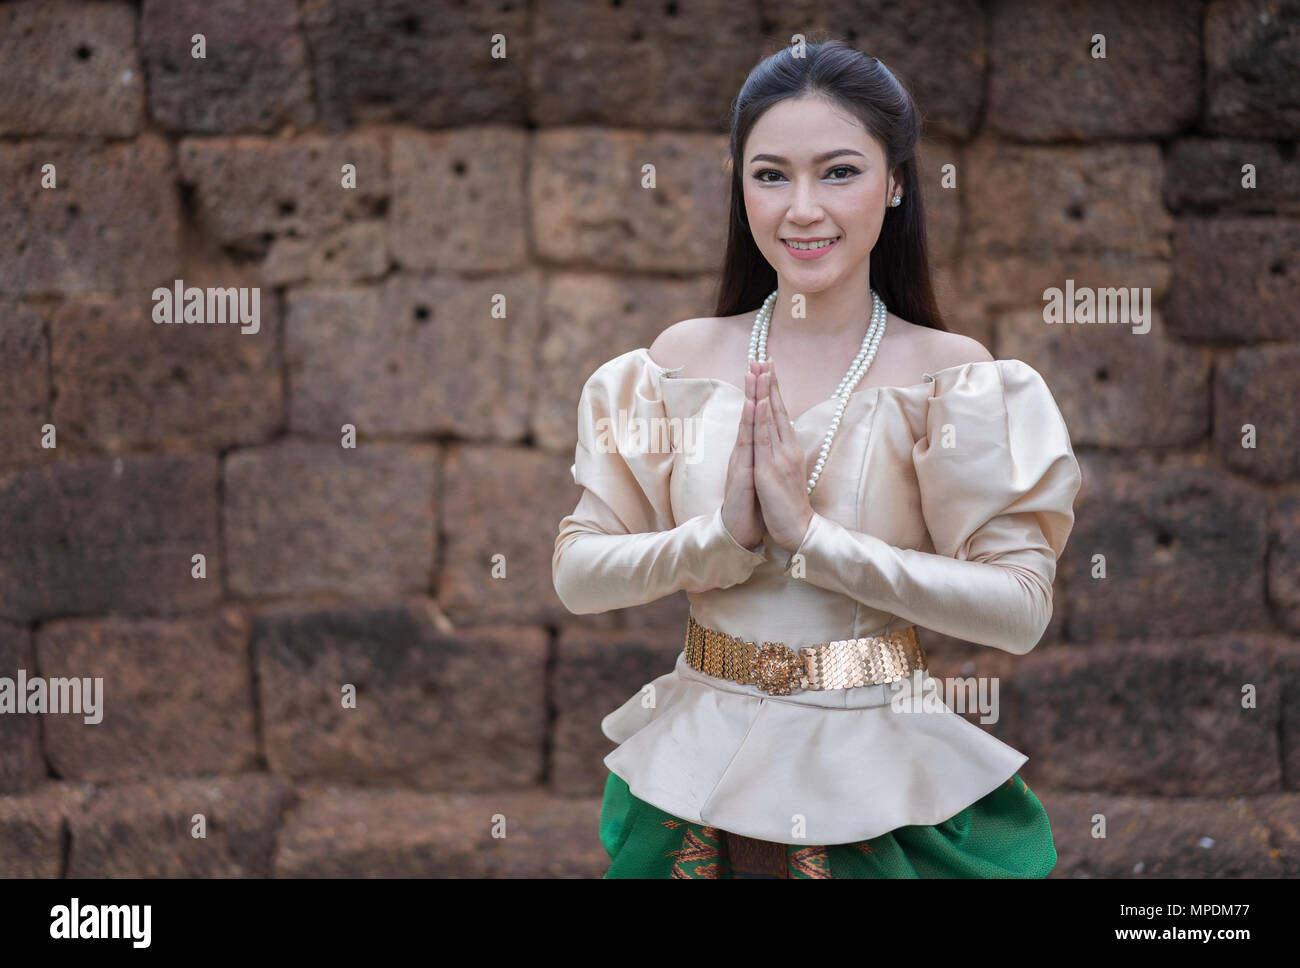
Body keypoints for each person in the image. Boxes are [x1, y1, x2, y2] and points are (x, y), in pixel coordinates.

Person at [552, 40, 1082, 878]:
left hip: (876, 774)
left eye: (839, 172)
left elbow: (1019, 609)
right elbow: (578, 574)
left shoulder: (956, 379)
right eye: (770, 175)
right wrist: (719, 540)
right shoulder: (675, 365)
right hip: (696, 779)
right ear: (740, 185)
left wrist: (814, 541)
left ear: (898, 182)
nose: (803, 209)